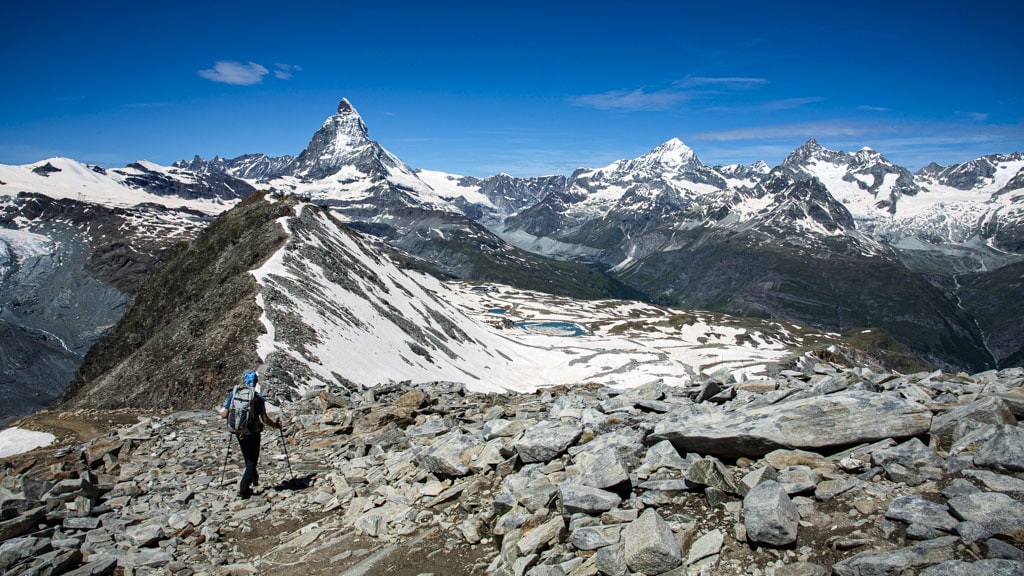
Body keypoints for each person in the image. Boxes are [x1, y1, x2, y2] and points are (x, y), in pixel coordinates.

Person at [220, 371, 282, 499]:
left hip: (238, 431)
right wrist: (276, 426)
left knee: (247, 457)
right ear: (256, 382)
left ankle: (254, 478)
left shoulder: (234, 394)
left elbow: (224, 414)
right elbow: (264, 419)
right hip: (253, 432)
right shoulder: (257, 397)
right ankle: (244, 489)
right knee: (252, 460)